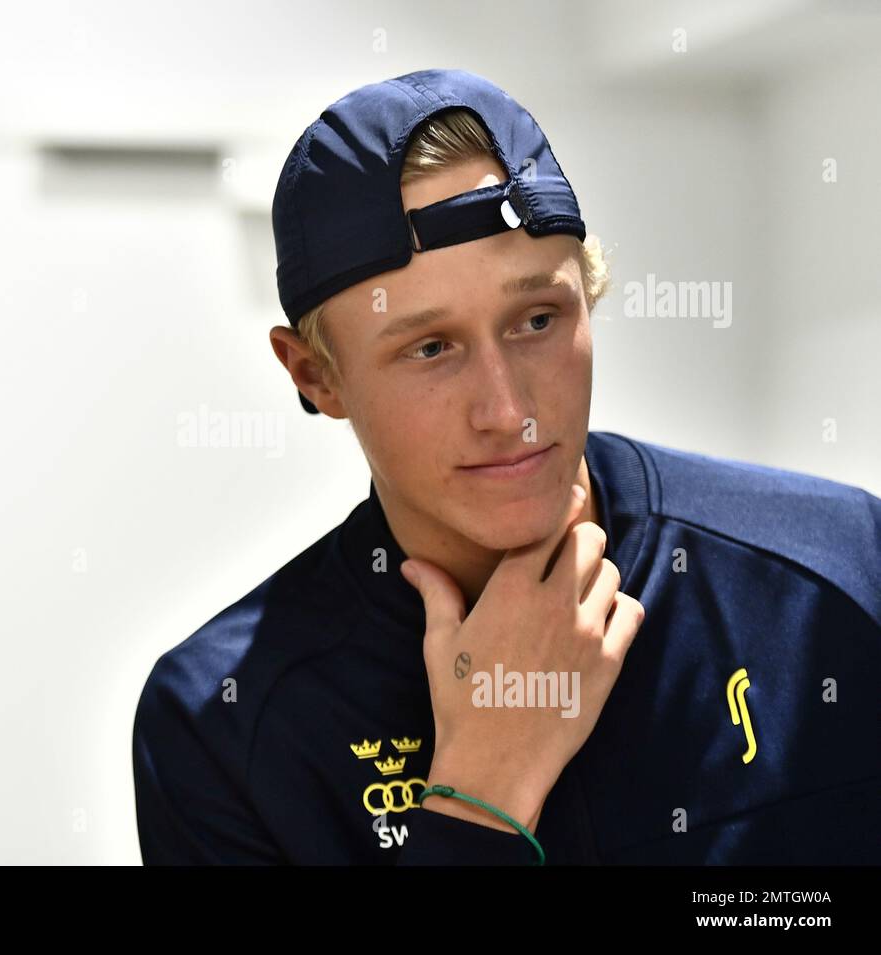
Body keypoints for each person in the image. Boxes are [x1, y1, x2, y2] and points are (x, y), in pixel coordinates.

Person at [131, 68, 881, 864]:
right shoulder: (221, 725)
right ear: (316, 375)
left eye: (536, 319)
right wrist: (481, 796)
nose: (507, 407)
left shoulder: (837, 570)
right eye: (430, 347)